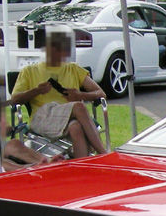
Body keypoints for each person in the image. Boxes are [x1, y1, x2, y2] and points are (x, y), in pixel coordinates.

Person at [6, 25, 109, 158]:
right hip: (43, 118)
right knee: (79, 106)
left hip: (70, 117)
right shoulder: (30, 71)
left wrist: (80, 95)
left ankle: (81, 169)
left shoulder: (73, 69)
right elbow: (14, 100)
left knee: (76, 127)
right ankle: (103, 154)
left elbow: (101, 94)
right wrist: (37, 91)